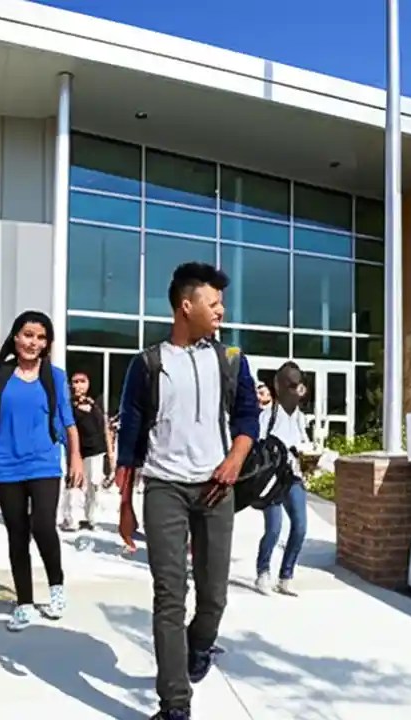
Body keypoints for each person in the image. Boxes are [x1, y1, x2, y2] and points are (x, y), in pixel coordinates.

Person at [114, 262, 259, 720]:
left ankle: (200, 645)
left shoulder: (231, 359)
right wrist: (124, 506)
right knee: (169, 595)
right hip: (164, 488)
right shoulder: (148, 364)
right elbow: (132, 440)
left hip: (218, 489)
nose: (221, 310)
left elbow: (247, 417)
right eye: (213, 303)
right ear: (186, 306)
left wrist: (234, 461)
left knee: (214, 594)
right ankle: (175, 704)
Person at [0, 311, 83, 632]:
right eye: (28, 335)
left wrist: (75, 457)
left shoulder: (55, 376)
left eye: (41, 337)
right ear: (16, 337)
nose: (34, 342)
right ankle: (24, 602)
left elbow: (68, 420)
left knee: (43, 525)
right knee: (17, 534)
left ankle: (56, 586)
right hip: (6, 465)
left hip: (45, 463)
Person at [255, 362, 310, 597]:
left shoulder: (299, 417)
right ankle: (263, 573)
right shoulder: (267, 416)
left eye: (296, 385)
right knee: (274, 529)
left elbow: (304, 443)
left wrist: (308, 455)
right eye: (288, 384)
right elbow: (258, 446)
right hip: (273, 479)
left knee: (300, 527)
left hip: (294, 477)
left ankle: (286, 576)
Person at [61, 370, 114, 531]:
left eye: (82, 381)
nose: (78, 385)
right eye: (75, 381)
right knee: (74, 484)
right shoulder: (68, 406)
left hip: (97, 451)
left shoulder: (95, 404)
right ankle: (71, 519)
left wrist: (110, 452)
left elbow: (105, 427)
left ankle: (91, 518)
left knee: (94, 486)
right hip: (78, 451)